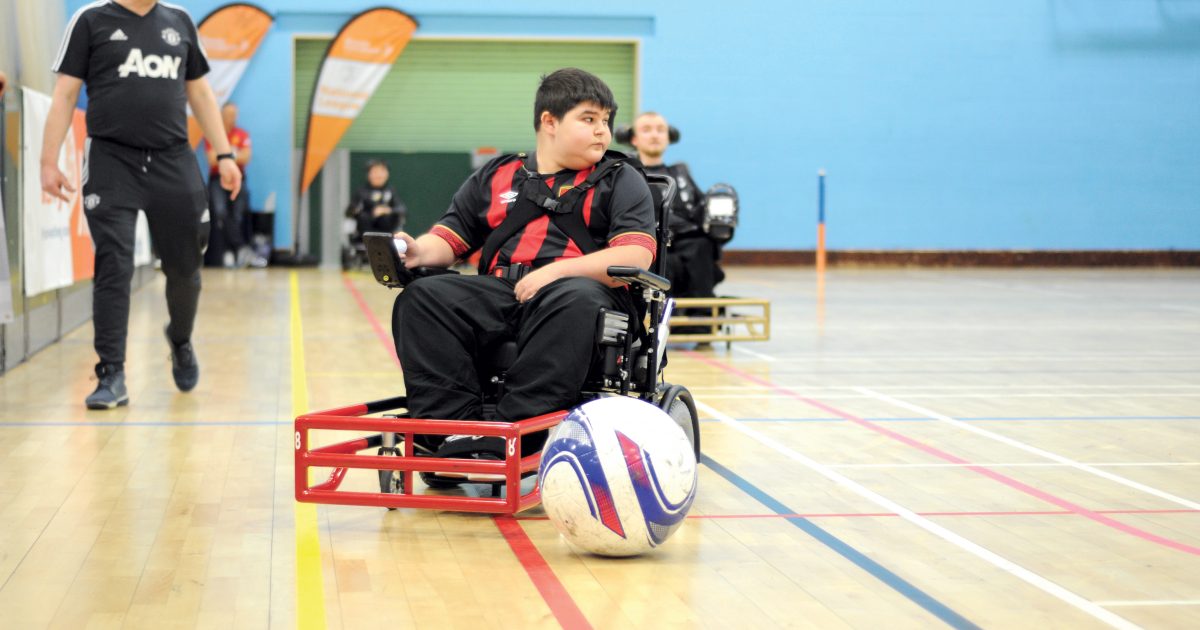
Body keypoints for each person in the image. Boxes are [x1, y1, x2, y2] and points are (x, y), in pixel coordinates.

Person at [392, 67, 655, 457]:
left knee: (576, 296)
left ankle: (518, 433)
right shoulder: (497, 174)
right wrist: (416, 251)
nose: (603, 130)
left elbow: (635, 255)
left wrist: (556, 271)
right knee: (423, 296)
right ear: (549, 121)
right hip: (504, 291)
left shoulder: (621, 179)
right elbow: (450, 236)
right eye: (589, 119)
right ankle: (448, 432)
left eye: (606, 120)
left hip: (579, 295)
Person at [41, 0, 242, 409]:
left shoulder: (180, 21)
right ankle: (111, 373)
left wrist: (224, 155)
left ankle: (180, 338)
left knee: (185, 269)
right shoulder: (91, 19)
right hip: (112, 160)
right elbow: (65, 93)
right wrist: (48, 160)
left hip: (172, 158)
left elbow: (200, 91)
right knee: (114, 262)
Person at [627, 111, 725, 300]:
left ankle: (701, 321)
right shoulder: (627, 174)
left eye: (660, 130)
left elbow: (700, 210)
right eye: (646, 130)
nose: (655, 135)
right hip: (651, 245)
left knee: (701, 246)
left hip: (689, 246)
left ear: (668, 137)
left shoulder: (681, 173)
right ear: (634, 139)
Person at [203, 101, 252, 267]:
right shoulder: (214, 134)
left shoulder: (242, 134)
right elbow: (211, 159)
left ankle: (236, 251)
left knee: (238, 214)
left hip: (238, 177)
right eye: (228, 114)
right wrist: (233, 154)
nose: (231, 118)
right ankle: (237, 248)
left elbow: (246, 157)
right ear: (221, 115)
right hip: (217, 179)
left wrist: (224, 155)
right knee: (219, 212)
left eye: (234, 114)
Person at [349, 159, 406, 238]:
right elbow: (351, 210)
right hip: (365, 233)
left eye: (382, 172)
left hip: (387, 232)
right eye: (375, 172)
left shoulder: (391, 191)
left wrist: (386, 210)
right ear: (369, 174)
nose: (379, 175)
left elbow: (401, 209)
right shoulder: (361, 192)